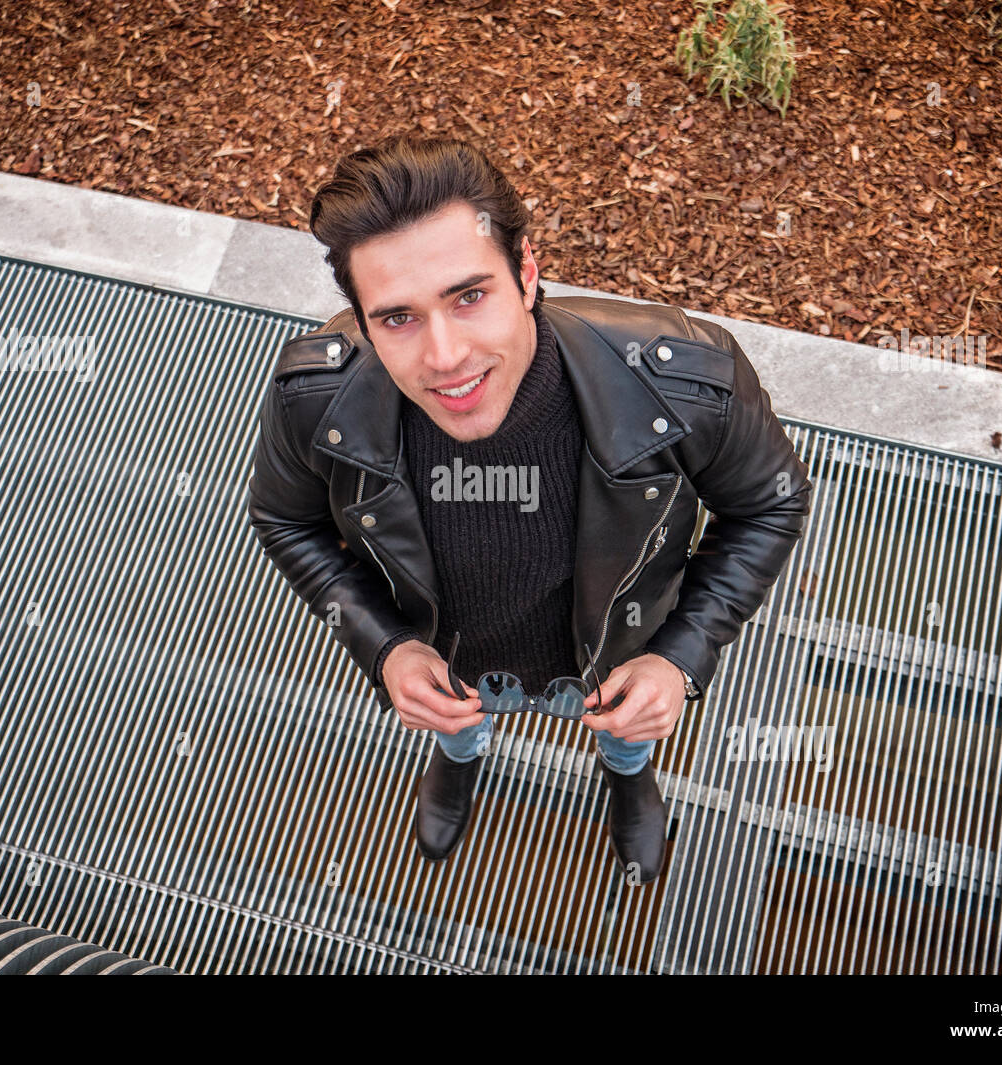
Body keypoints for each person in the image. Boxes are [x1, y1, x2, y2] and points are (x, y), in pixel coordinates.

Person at [247, 134, 812, 883]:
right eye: (398, 318)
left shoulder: (686, 381)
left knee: (627, 729)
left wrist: (680, 659)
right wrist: (384, 645)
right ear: (360, 320)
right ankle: (457, 757)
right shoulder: (315, 399)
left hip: (613, 658)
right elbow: (284, 518)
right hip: (456, 660)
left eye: (469, 296)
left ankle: (629, 775)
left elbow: (772, 504)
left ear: (528, 272)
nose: (445, 356)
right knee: (457, 720)